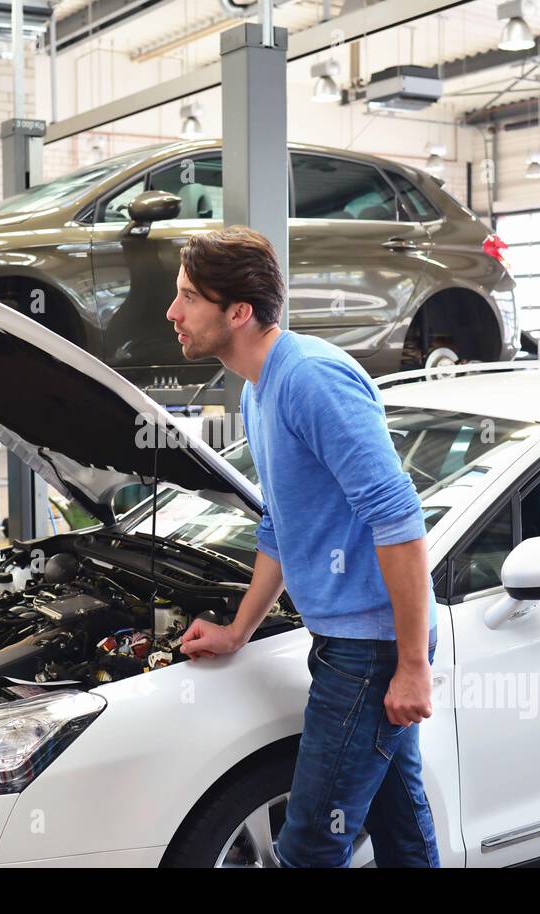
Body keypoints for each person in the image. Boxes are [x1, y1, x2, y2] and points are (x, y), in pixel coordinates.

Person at [169, 226, 440, 867]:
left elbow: (398, 517)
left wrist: (409, 665)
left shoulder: (311, 379)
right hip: (350, 643)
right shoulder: (259, 389)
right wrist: (239, 630)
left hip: (367, 652)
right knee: (402, 836)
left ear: (237, 312)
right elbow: (281, 527)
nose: (172, 313)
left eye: (187, 297)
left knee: (311, 844)